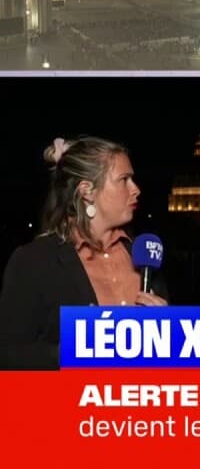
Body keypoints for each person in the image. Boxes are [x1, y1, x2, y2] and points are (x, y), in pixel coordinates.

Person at [0, 137, 166, 369]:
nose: (136, 189)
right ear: (87, 191)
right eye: (124, 180)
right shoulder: (33, 261)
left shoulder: (144, 254)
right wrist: (87, 348)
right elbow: (11, 356)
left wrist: (168, 334)